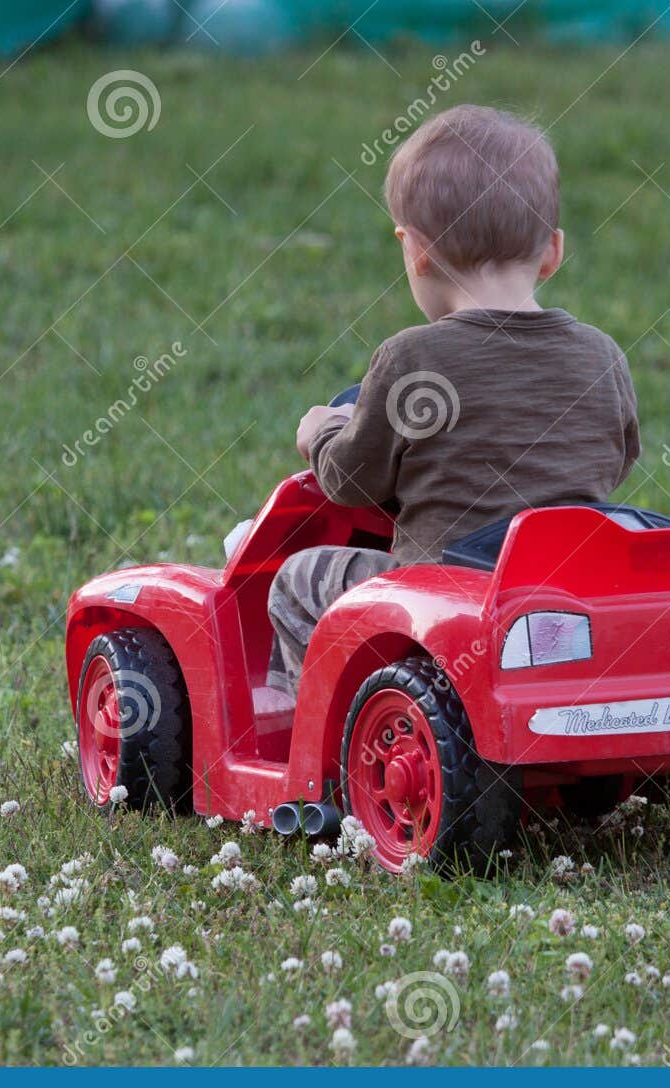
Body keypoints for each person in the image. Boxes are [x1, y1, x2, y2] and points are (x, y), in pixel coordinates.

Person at [266, 104, 640, 695]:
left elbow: (353, 484)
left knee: (296, 578)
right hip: (567, 580)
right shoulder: (601, 354)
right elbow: (616, 458)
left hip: (441, 588)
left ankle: (311, 743)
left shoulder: (411, 358)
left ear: (414, 251)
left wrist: (322, 434)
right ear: (552, 251)